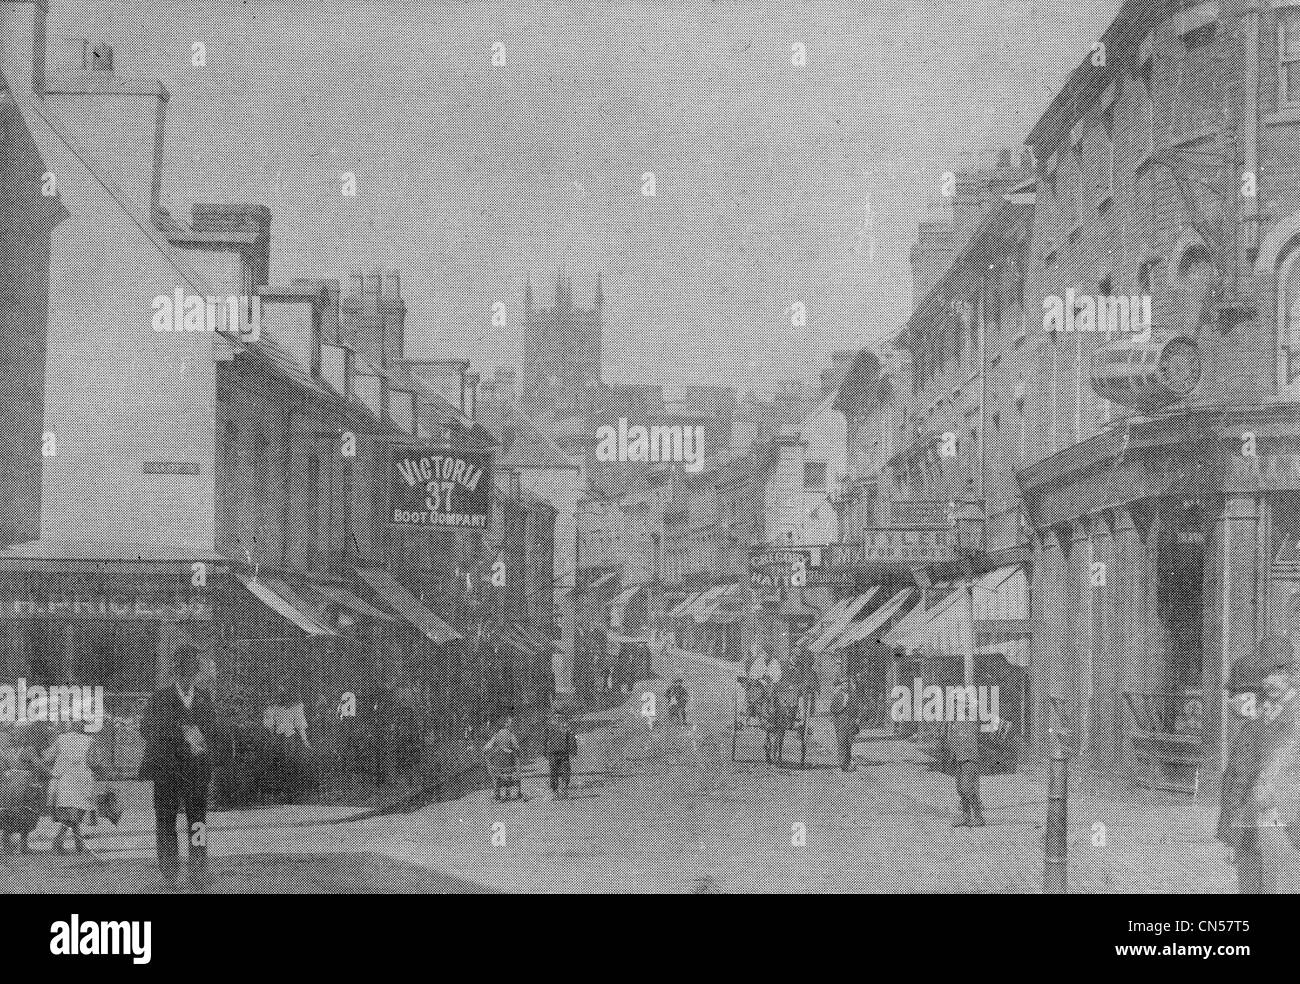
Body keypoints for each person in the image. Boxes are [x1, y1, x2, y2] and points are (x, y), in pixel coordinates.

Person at [1218, 634, 1300, 893]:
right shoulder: (1258, 714)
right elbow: (1238, 775)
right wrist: (1232, 837)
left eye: (1270, 674)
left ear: (1290, 674)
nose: (1264, 681)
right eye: (1261, 675)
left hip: (1287, 829)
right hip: (1248, 826)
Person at [140, 645, 219, 889]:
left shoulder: (205, 698)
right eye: (182, 673)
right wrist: (177, 732)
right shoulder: (160, 698)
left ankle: (197, 869)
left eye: (191, 673)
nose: (187, 679)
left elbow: (214, 732)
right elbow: (146, 728)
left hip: (196, 771)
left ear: (195, 674)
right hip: (167, 770)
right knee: (166, 821)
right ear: (176, 673)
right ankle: (170, 873)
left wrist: (202, 742)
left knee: (198, 822)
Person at [46, 719, 100, 855]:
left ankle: (72, 845)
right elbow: (94, 762)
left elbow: (48, 757)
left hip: (65, 779)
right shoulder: (90, 741)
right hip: (82, 779)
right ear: (83, 727)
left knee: (70, 814)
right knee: (74, 813)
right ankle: (70, 845)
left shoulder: (61, 738)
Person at [946, 717, 985, 827]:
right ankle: (965, 815)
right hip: (959, 758)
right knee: (960, 789)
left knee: (967, 788)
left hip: (969, 758)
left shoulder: (970, 719)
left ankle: (978, 817)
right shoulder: (955, 721)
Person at [542, 706, 577, 800]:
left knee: (554, 772)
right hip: (562, 752)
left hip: (554, 752)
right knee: (564, 771)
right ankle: (562, 789)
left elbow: (545, 740)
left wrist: (544, 751)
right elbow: (571, 738)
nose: (558, 718)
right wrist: (573, 750)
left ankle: (556, 792)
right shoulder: (565, 725)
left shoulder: (549, 725)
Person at [483, 715, 521, 802]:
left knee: (495, 767)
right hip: (509, 764)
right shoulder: (511, 735)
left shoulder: (496, 736)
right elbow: (517, 747)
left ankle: (497, 795)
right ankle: (509, 792)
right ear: (506, 725)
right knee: (514, 760)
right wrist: (513, 750)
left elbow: (486, 748)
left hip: (497, 766)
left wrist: (488, 754)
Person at [829, 677, 859, 771]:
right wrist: (843, 705)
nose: (845, 686)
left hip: (850, 722)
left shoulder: (852, 695)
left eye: (847, 684)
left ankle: (848, 762)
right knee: (842, 742)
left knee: (849, 743)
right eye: (843, 684)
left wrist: (857, 719)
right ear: (841, 686)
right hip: (841, 723)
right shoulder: (837, 696)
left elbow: (856, 708)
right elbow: (832, 709)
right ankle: (842, 764)